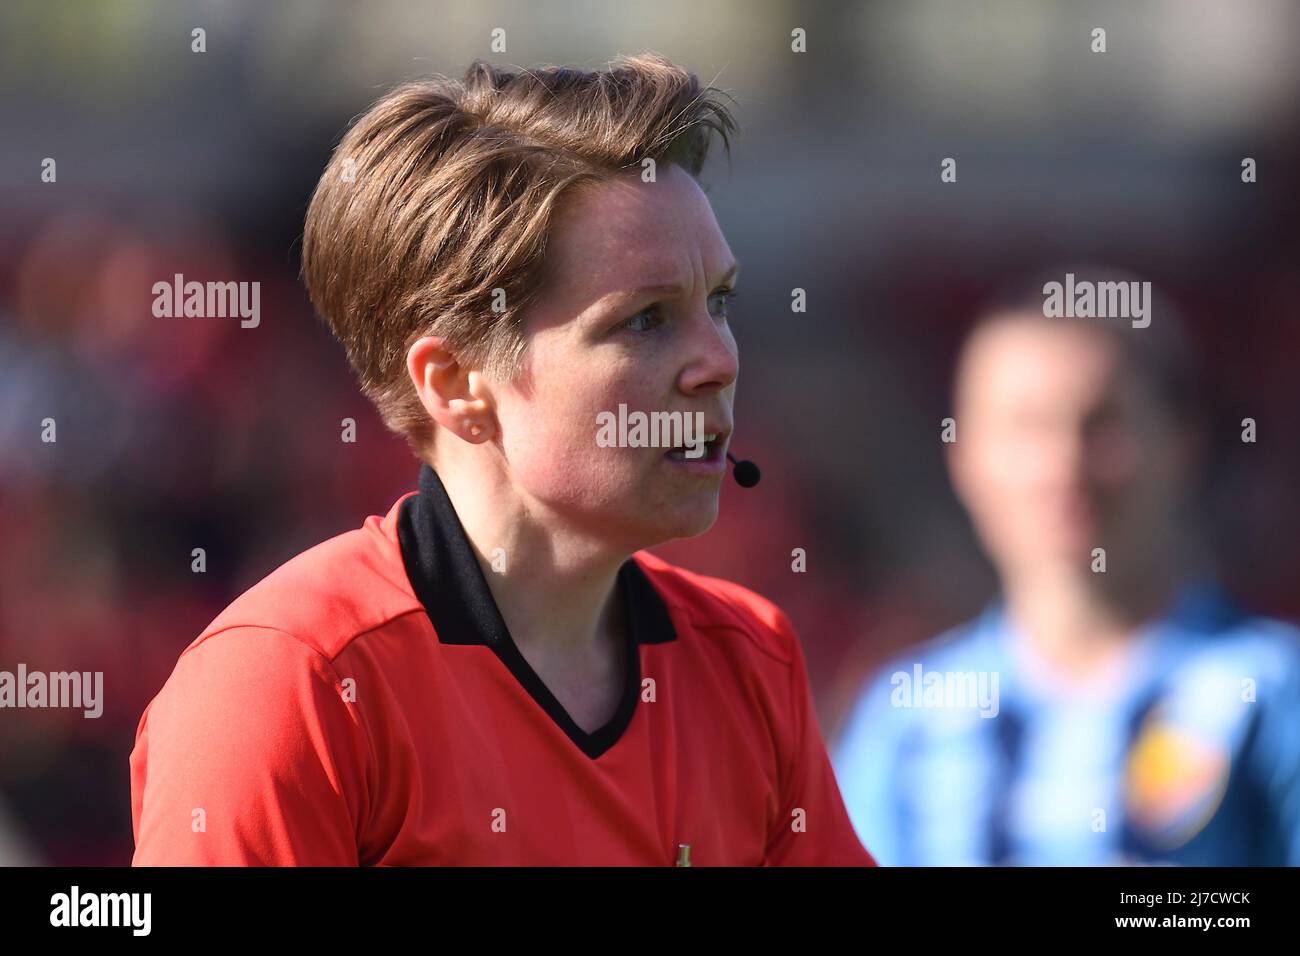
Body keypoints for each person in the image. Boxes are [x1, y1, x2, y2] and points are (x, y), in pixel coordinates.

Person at [129, 53, 876, 866]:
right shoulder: (287, 684)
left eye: (719, 303)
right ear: (456, 385)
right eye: (646, 319)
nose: (719, 361)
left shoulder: (749, 662)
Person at [833, 275, 1300, 865]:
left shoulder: (1272, 695)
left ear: (1183, 442)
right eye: (1027, 425)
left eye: (1103, 423)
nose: (1064, 465)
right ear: (963, 456)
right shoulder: (905, 718)